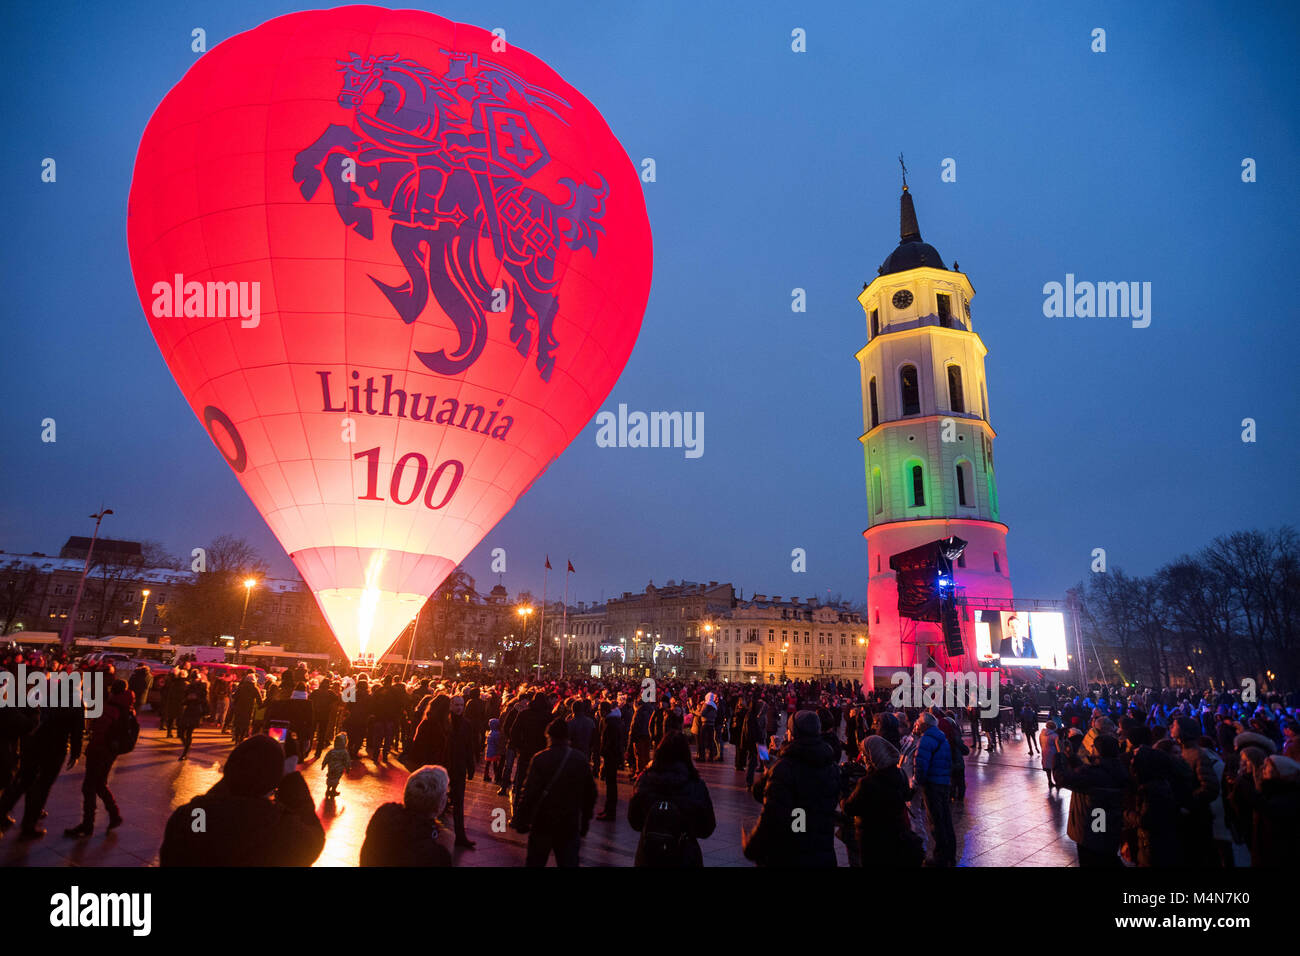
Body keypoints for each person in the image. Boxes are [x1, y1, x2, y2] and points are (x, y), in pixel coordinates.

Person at [159, 734, 325, 866]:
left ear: (230, 768)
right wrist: (290, 777)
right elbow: (314, 838)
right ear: (274, 780)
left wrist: (232, 778)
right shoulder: (282, 829)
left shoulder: (193, 816)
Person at [743, 710, 839, 867]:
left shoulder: (786, 768)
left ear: (793, 733)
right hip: (822, 852)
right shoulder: (830, 765)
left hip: (791, 853)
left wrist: (752, 847)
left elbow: (771, 812)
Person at [0, 681, 84, 840]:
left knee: (22, 781)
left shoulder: (45, 696)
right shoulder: (76, 703)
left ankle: (2, 812)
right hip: (56, 748)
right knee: (43, 786)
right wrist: (75, 753)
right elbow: (77, 730)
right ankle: (29, 825)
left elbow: (28, 714)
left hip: (34, 745)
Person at [512, 718, 597, 867]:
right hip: (569, 822)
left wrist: (521, 819)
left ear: (549, 736)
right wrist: (584, 823)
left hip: (543, 821)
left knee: (535, 861)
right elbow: (590, 794)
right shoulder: (580, 759)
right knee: (568, 862)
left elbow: (529, 792)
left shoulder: (540, 758)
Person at [627, 732, 716, 867]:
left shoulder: (645, 780)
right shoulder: (696, 785)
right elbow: (707, 828)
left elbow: (634, 821)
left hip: (649, 855)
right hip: (684, 856)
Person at [64, 679, 135, 838]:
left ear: (112, 690)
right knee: (100, 784)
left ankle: (88, 824)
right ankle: (114, 815)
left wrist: (90, 749)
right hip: (111, 751)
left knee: (89, 787)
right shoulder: (127, 707)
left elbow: (100, 732)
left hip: (100, 751)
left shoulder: (110, 708)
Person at [843, 735, 922, 868]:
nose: (862, 756)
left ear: (871, 755)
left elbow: (849, 808)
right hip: (896, 833)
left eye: (864, 753)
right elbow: (906, 795)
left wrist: (844, 794)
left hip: (872, 839)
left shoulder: (867, 783)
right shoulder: (900, 773)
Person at [1053, 732, 1128, 866]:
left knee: (1093, 857)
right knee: (1105, 854)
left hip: (1090, 827)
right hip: (1107, 823)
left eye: (1094, 746)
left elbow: (1062, 779)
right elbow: (1085, 774)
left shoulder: (1094, 774)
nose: (1091, 748)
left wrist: (1059, 755)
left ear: (1098, 751)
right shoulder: (1118, 769)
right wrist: (1071, 756)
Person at [359, 765, 454, 866]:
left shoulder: (383, 816)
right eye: (445, 794)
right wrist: (446, 850)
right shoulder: (433, 851)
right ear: (439, 804)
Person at [913, 712, 955, 866]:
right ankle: (949, 853)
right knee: (945, 819)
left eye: (918, 722)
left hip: (932, 784)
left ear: (925, 725)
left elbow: (921, 764)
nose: (916, 724)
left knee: (935, 821)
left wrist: (917, 781)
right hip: (943, 782)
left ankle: (940, 856)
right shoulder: (941, 737)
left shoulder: (926, 740)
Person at [595, 699, 626, 821]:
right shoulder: (613, 721)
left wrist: (604, 752)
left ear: (604, 710)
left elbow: (611, 742)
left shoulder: (610, 723)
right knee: (610, 784)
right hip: (613, 756)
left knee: (611, 785)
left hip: (611, 757)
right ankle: (608, 809)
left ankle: (610, 811)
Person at [176, 675, 210, 760]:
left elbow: (205, 701)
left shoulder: (202, 689)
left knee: (188, 733)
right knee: (180, 732)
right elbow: (183, 700)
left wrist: (196, 699)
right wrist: (187, 699)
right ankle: (186, 746)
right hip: (187, 711)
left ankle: (185, 752)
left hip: (196, 712)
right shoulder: (189, 688)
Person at [321, 732, 351, 799]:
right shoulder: (344, 752)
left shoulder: (332, 751)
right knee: (336, 779)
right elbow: (347, 761)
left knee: (330, 777)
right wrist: (348, 768)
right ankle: (333, 790)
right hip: (339, 769)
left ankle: (328, 789)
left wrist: (323, 764)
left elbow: (326, 758)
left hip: (331, 767)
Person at [482, 717, 504, 783]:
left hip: (488, 751)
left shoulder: (490, 733)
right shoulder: (497, 734)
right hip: (494, 751)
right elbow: (497, 743)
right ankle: (496, 776)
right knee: (495, 764)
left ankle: (485, 776)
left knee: (488, 764)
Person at [1040, 720, 1060, 790]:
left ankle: (1049, 781)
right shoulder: (1055, 736)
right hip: (1053, 753)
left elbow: (1040, 743)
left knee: (1047, 768)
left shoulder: (1041, 734)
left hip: (1044, 752)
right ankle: (1057, 782)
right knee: (1054, 768)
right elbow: (1058, 747)